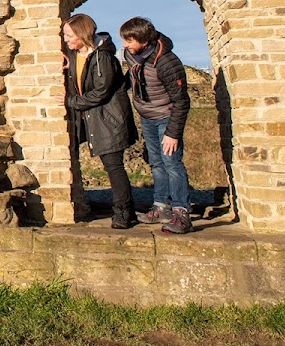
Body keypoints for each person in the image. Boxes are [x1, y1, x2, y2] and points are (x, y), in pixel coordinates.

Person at [60, 14, 140, 229]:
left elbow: (101, 92)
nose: (66, 39)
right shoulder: (77, 54)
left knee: (113, 166)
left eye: (69, 35)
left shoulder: (103, 58)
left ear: (82, 34)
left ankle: (125, 211)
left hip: (108, 117)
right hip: (89, 116)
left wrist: (70, 101)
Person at [119, 17, 193, 235]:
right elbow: (130, 78)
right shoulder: (130, 55)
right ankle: (161, 206)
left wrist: (172, 133)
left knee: (172, 163)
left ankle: (182, 213)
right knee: (156, 162)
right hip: (147, 117)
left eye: (129, 40)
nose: (125, 45)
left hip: (166, 117)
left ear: (143, 40)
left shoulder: (167, 62)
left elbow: (181, 101)